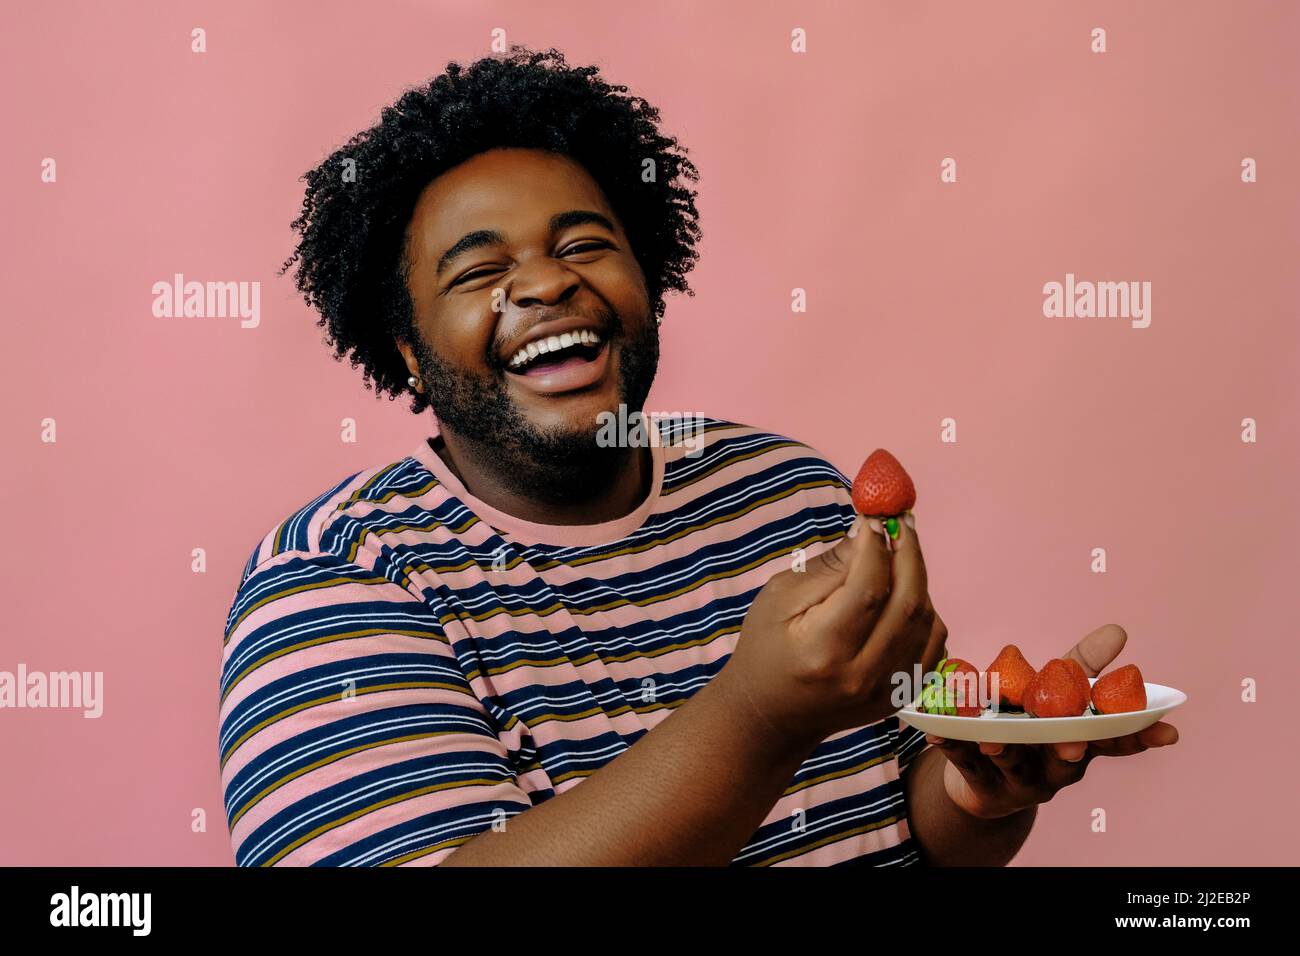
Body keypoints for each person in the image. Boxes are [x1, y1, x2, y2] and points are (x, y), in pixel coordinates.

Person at [218, 46, 1178, 867]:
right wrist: (760, 716)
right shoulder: (336, 579)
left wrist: (980, 790)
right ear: (410, 357)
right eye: (478, 272)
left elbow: (902, 828)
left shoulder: (791, 490)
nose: (549, 280)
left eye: (586, 244)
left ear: (649, 281)